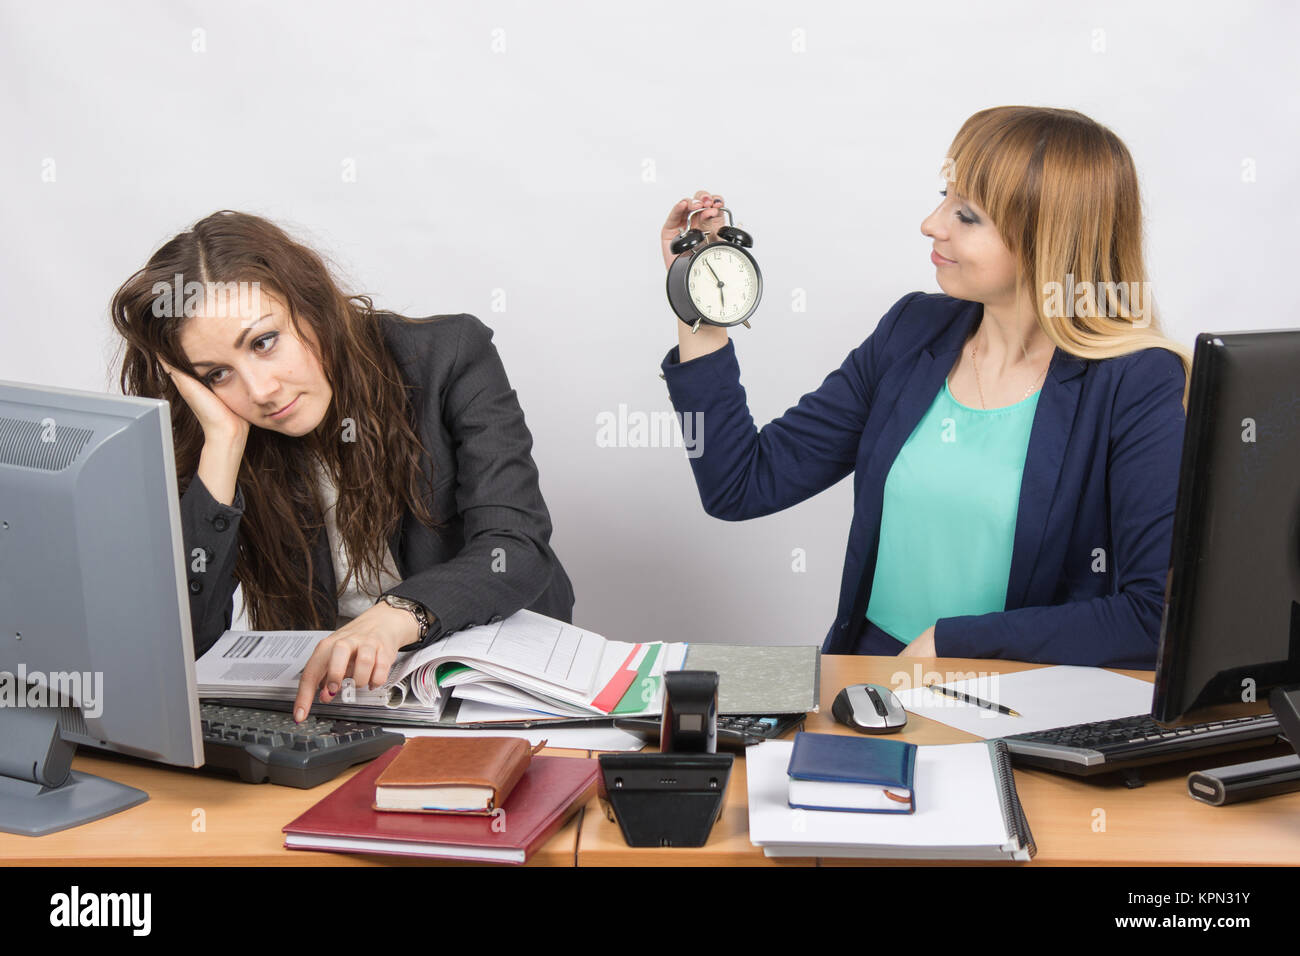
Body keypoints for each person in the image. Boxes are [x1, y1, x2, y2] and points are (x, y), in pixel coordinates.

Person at [659, 106, 1192, 669]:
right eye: (945, 198)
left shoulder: (1137, 380)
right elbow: (741, 485)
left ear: (1049, 239)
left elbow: (1150, 618)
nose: (932, 224)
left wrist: (954, 640)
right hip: (869, 683)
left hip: (1009, 704)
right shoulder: (914, 330)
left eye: (966, 215)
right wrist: (703, 300)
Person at [111, 210, 574, 720]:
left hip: (492, 691)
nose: (259, 392)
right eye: (219, 373)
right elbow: (186, 647)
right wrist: (221, 447)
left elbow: (515, 547)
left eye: (264, 342)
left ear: (312, 306)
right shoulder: (220, 427)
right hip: (341, 712)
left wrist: (395, 616)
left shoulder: (448, 356)